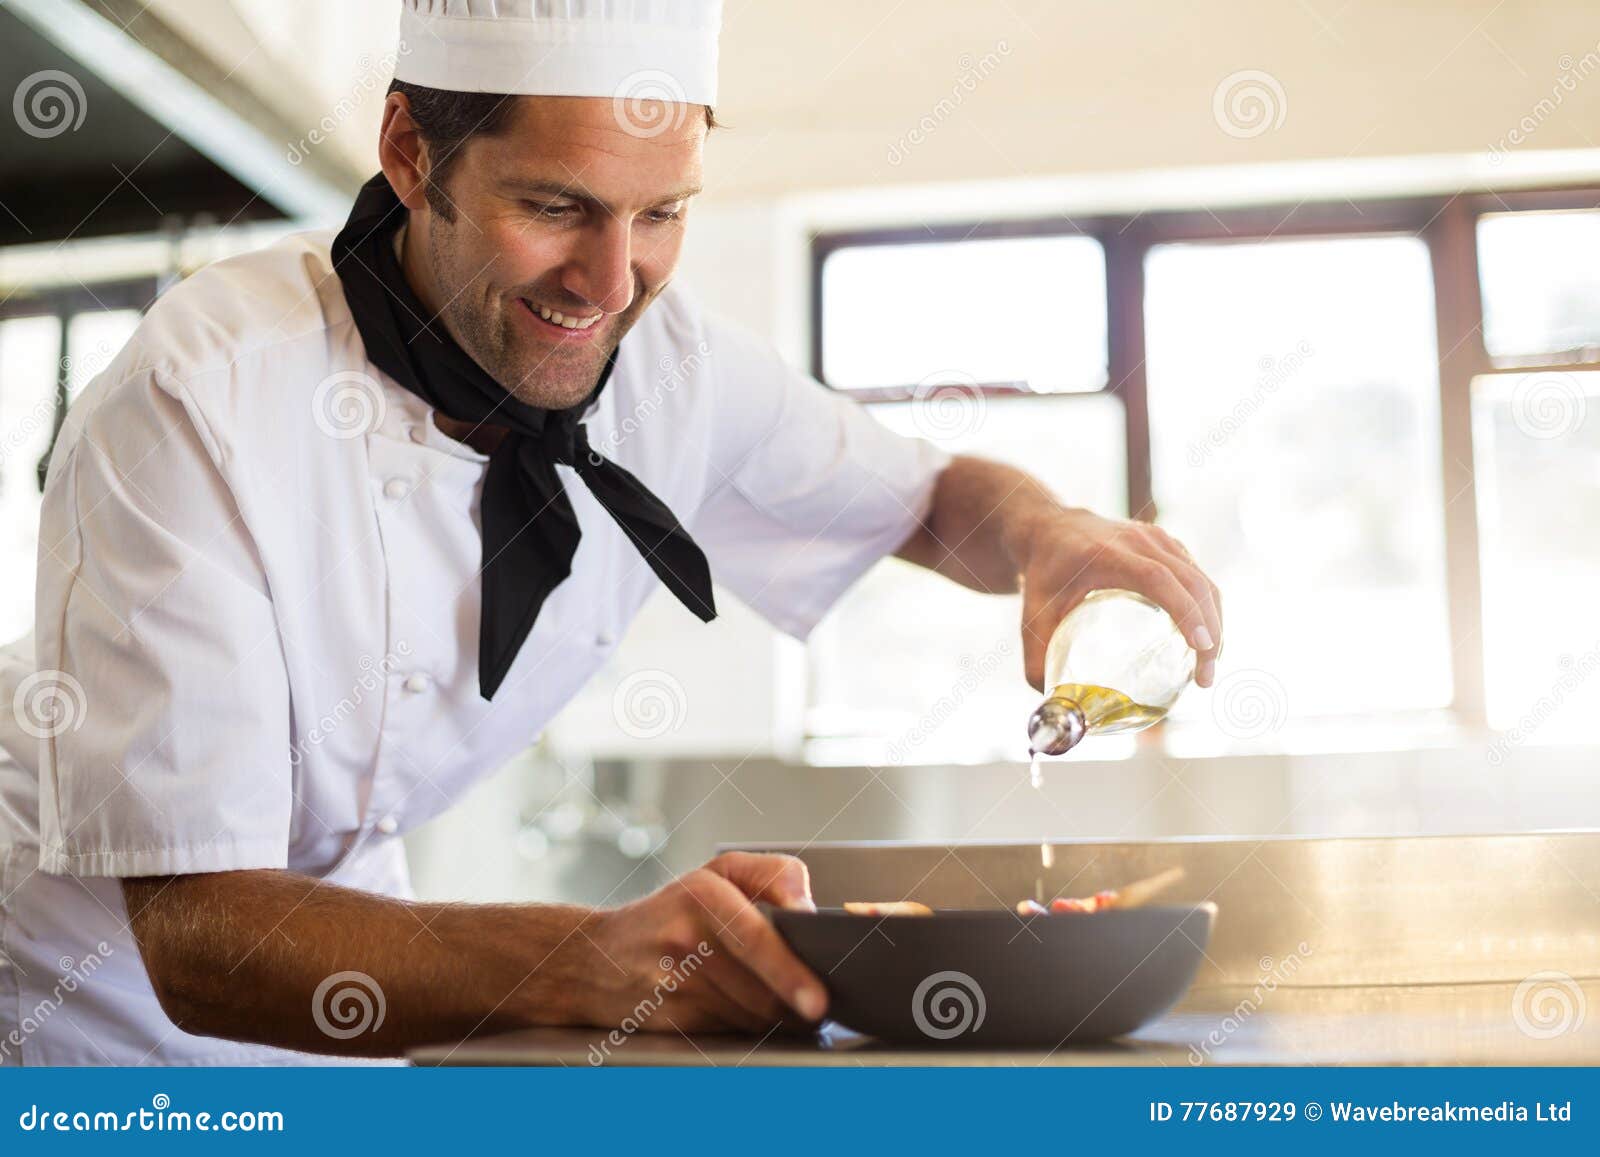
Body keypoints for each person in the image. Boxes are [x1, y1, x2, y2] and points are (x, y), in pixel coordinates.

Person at [0, 0, 1221, 1064]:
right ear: (410, 152)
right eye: (555, 206)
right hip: (80, 1005)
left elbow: (933, 496)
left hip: (354, 982)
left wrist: (1047, 532)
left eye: (662, 213)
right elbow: (198, 933)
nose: (611, 283)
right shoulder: (203, 395)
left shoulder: (671, 365)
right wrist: (596, 960)